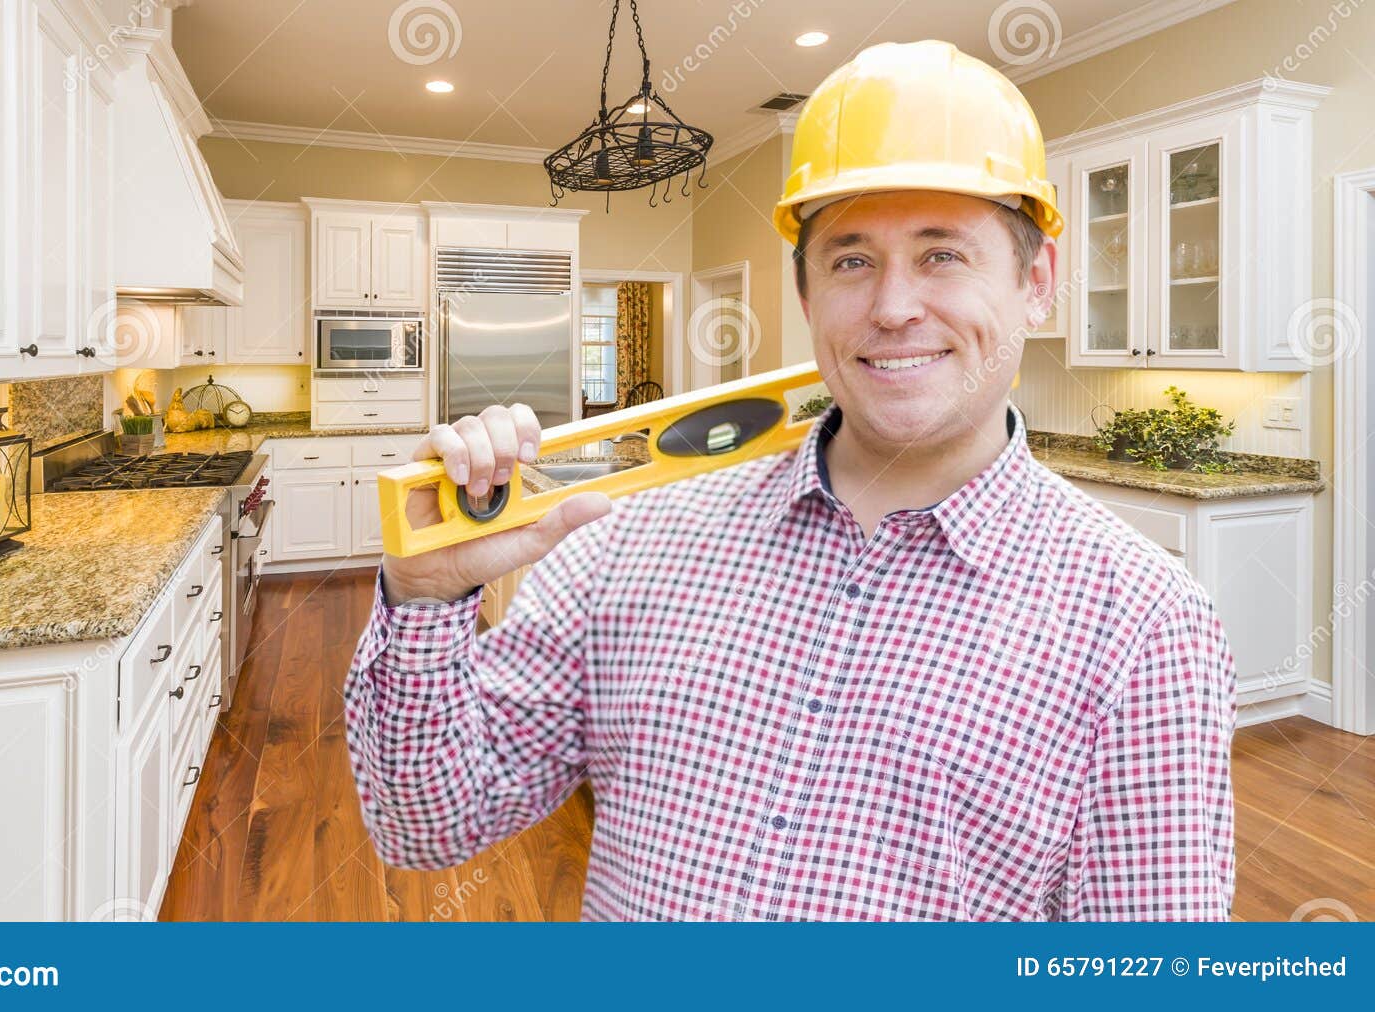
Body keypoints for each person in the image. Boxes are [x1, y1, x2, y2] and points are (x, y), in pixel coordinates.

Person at [343, 40, 1236, 921]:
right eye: (851, 259)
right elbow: (428, 829)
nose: (892, 308)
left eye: (943, 254)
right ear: (807, 294)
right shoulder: (632, 538)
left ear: (1036, 281)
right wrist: (425, 598)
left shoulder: (1143, 626)